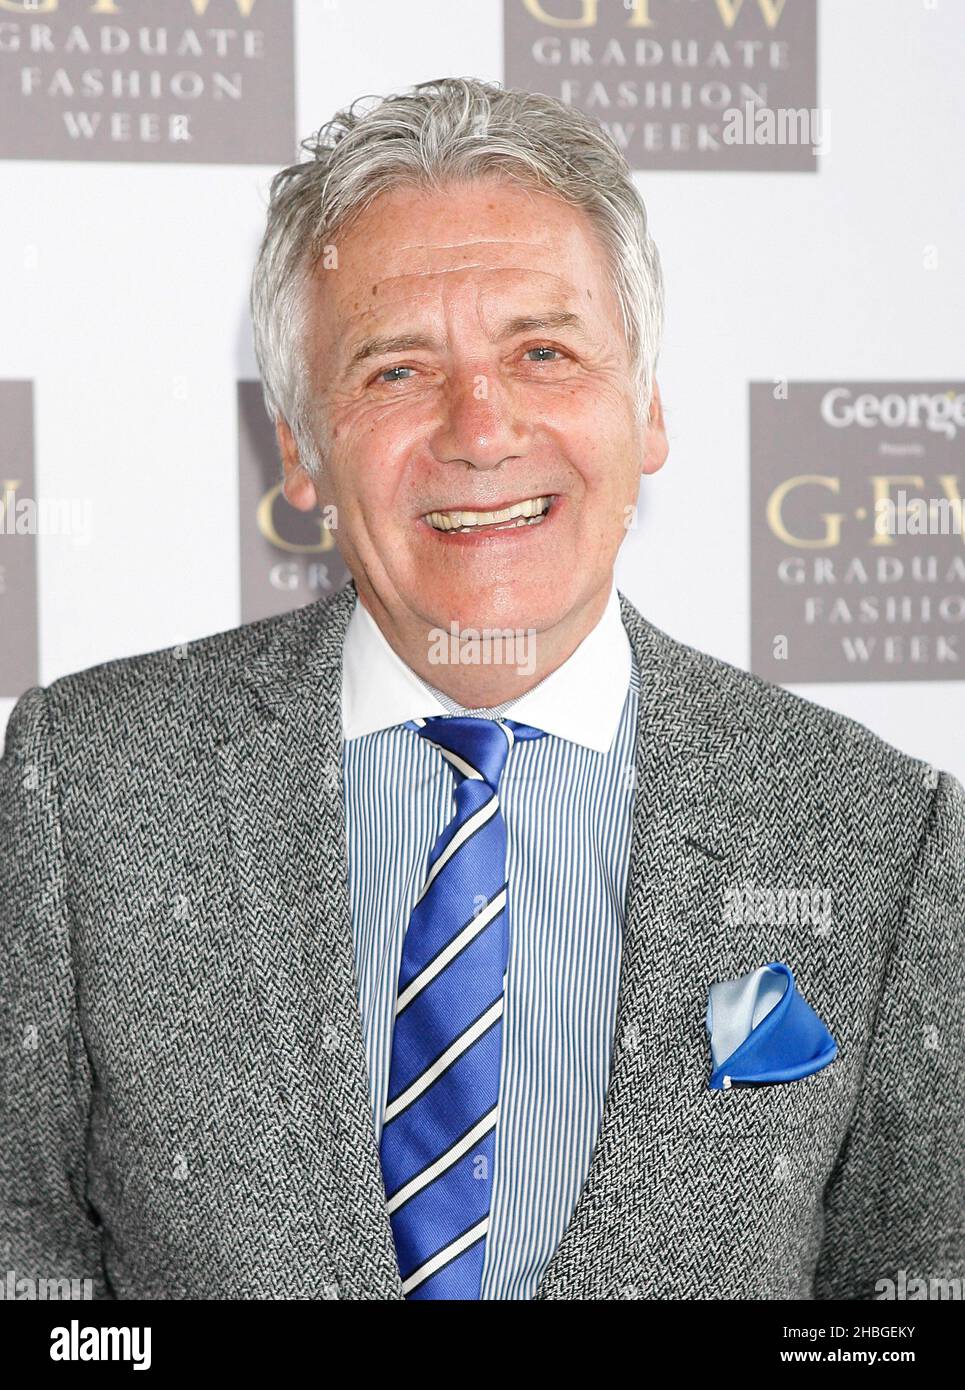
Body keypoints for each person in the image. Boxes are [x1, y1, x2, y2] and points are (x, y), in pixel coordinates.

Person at [1, 77, 962, 1302]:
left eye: (542, 352)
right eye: (396, 371)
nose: (479, 427)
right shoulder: (88, 789)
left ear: (647, 404)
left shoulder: (875, 831)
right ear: (298, 445)